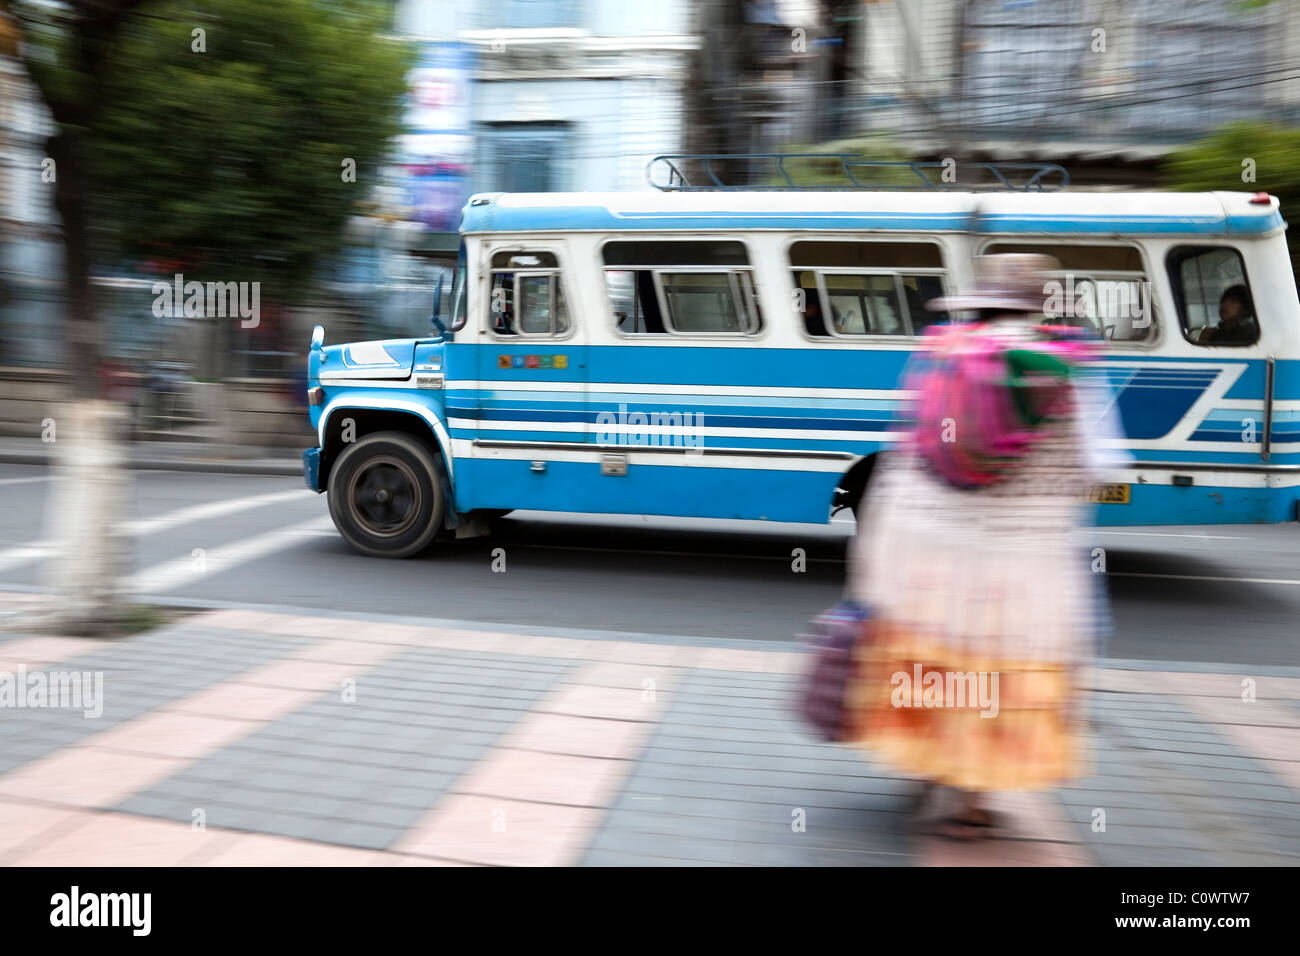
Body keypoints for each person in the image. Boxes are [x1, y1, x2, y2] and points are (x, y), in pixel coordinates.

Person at [845, 254, 1106, 840]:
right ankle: (971, 799)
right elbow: (1089, 468)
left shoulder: (945, 353)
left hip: (928, 541)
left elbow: (908, 449)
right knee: (998, 670)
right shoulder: (1062, 369)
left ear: (983, 300)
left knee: (934, 655)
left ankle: (928, 761)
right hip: (1019, 558)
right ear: (1042, 303)